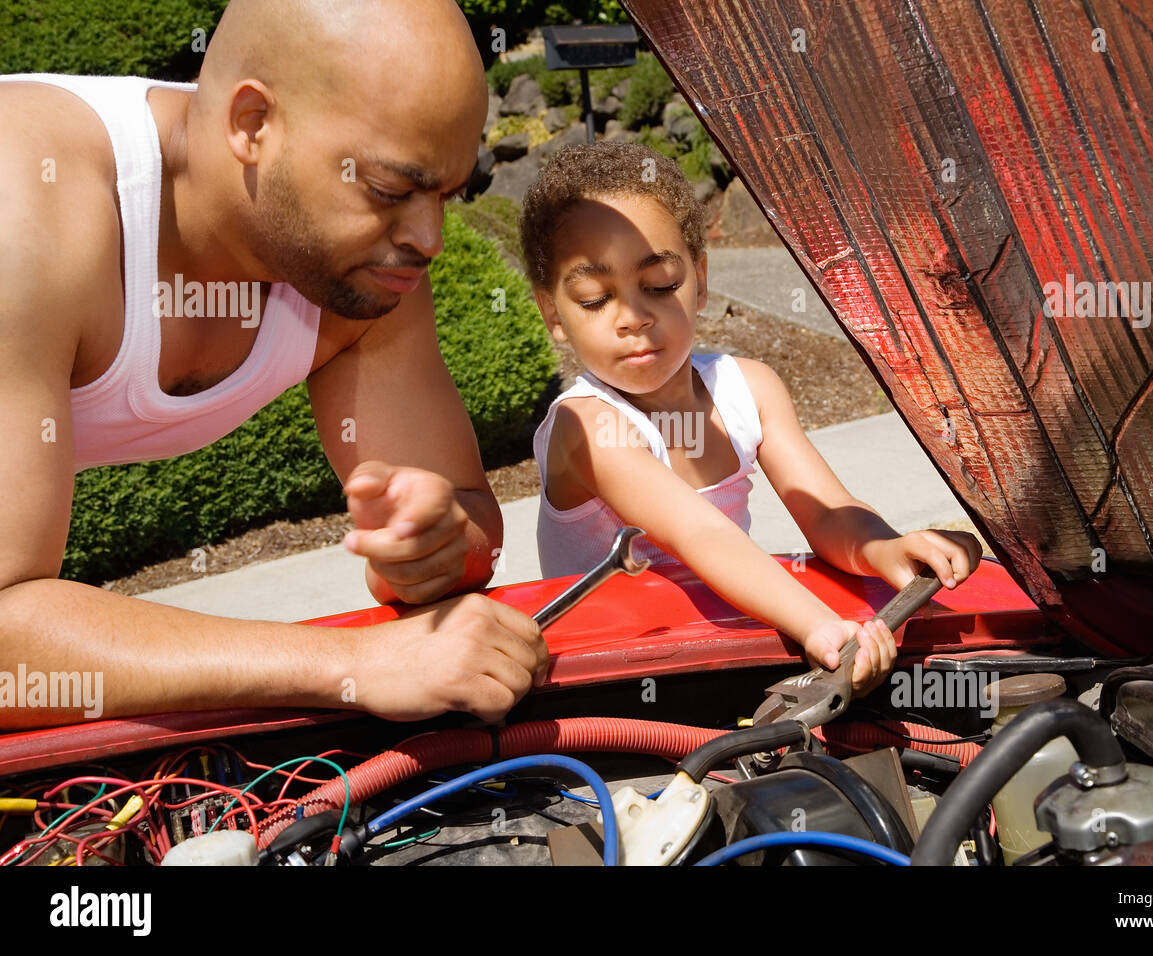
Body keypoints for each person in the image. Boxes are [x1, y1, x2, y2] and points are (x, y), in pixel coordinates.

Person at [0, 0, 547, 728]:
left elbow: (469, 520)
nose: (428, 237)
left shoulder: (365, 268)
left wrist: (434, 544)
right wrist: (351, 665)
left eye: (445, 194)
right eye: (389, 190)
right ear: (252, 124)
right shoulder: (28, 215)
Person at [522, 142, 982, 694]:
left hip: (731, 650)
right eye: (596, 298)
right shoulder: (585, 426)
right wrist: (819, 627)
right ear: (553, 313)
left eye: (660, 285)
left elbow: (829, 511)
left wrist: (885, 549)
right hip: (608, 678)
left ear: (699, 279)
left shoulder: (750, 388)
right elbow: (699, 533)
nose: (634, 317)